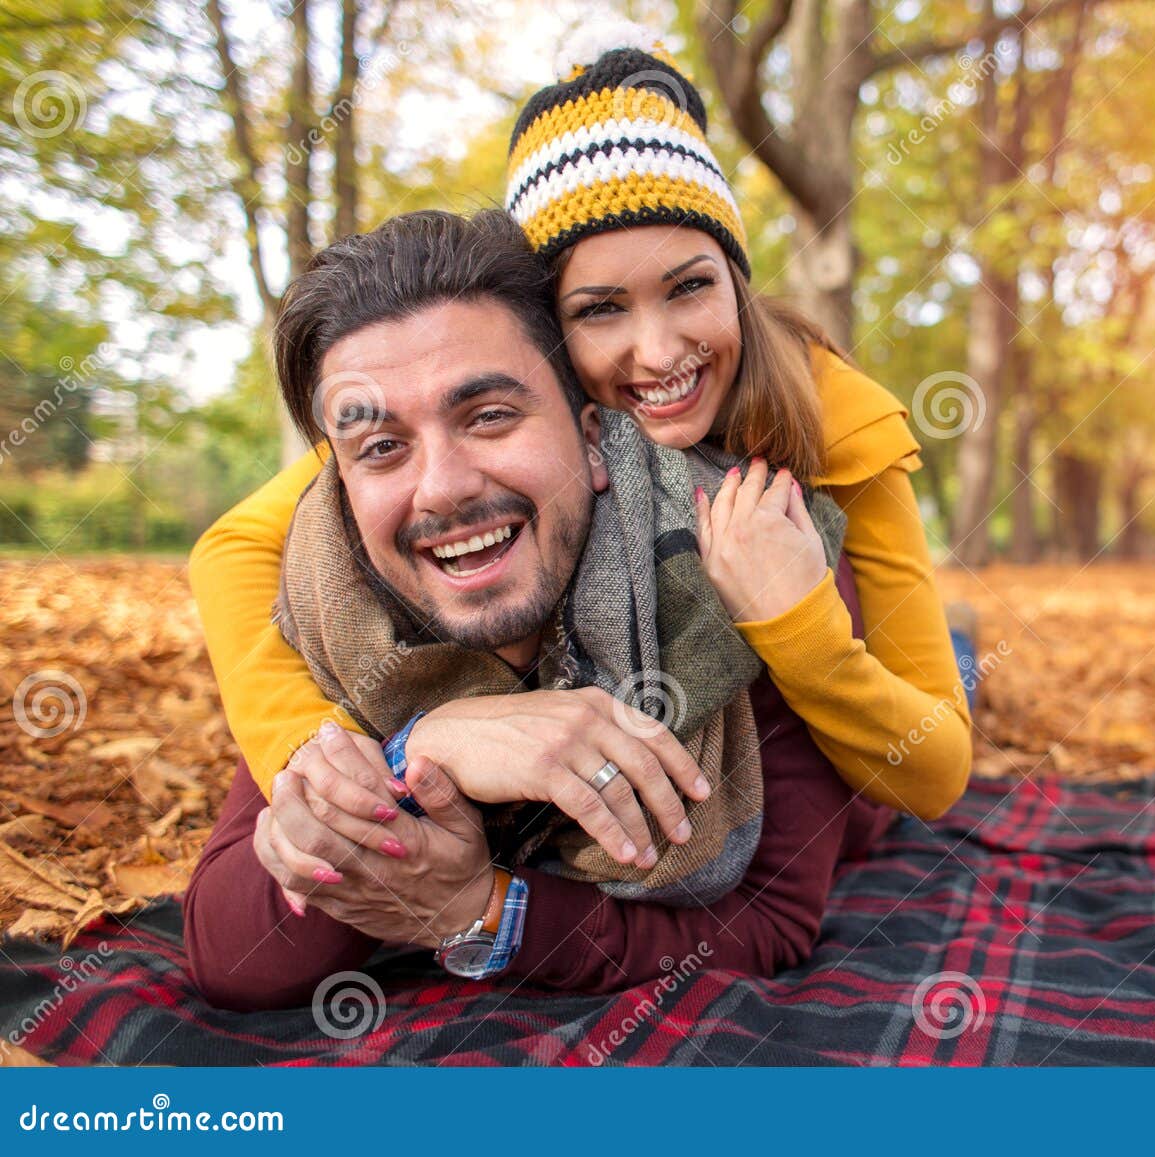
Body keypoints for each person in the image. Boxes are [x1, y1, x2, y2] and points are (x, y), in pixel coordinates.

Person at [187, 23, 973, 828]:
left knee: (957, 653)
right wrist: (307, 748)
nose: (660, 351)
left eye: (689, 287)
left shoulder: (834, 416)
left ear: (735, 280)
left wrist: (797, 623)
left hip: (843, 681)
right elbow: (234, 547)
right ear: (547, 340)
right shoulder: (496, 400)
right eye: (600, 309)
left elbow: (937, 771)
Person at [182, 208, 893, 1009]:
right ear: (341, 486)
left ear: (595, 439)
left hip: (862, 787)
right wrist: (419, 755)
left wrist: (482, 910)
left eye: (488, 415)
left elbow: (772, 920)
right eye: (382, 446)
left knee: (950, 685)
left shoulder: (755, 560)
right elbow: (236, 955)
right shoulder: (338, 601)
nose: (444, 487)